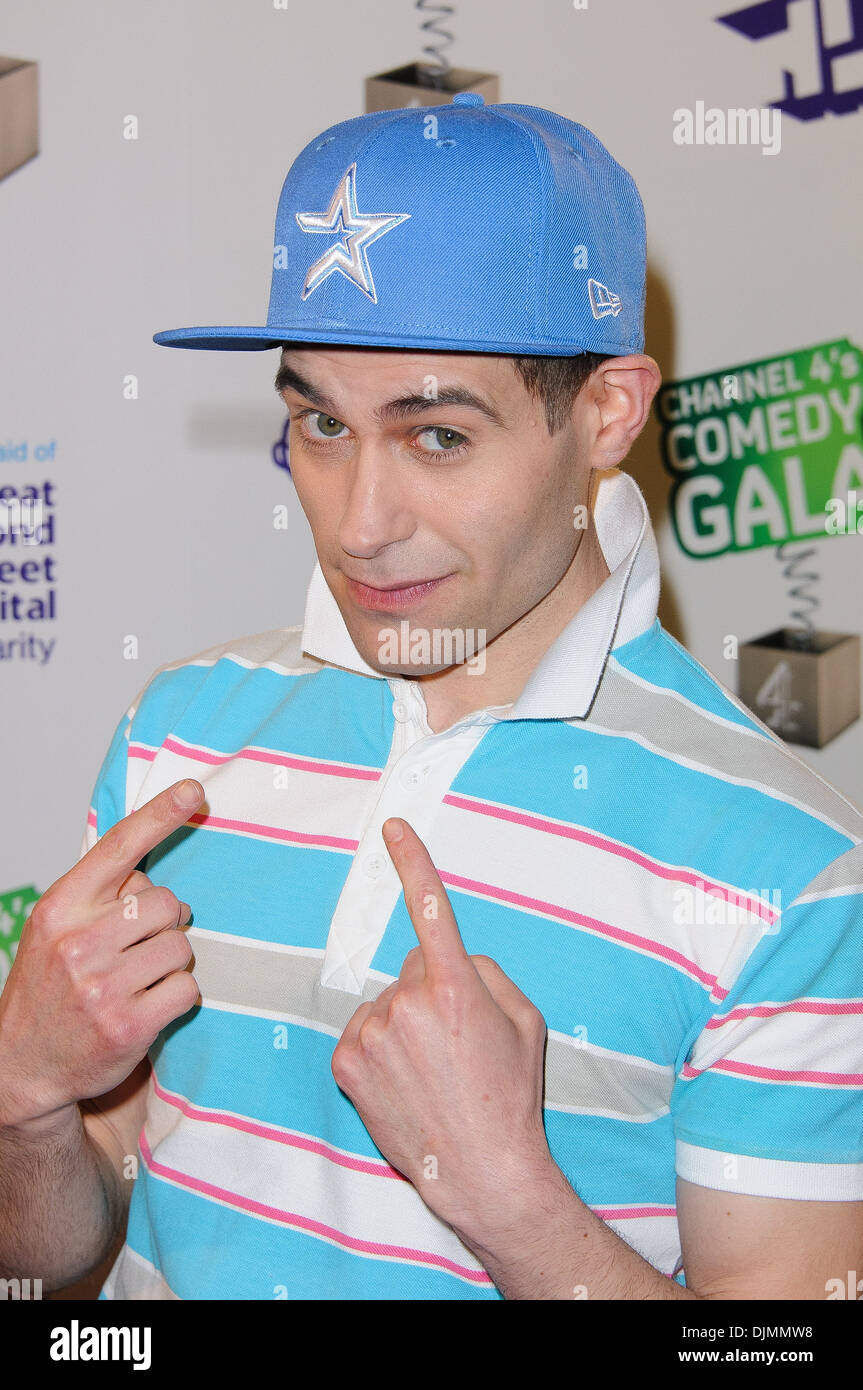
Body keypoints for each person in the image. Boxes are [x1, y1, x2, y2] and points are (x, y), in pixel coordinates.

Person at [1, 94, 862, 1302]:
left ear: (607, 410)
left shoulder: (788, 873)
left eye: (438, 437)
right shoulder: (176, 740)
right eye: (317, 423)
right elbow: (60, 1256)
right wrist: (28, 1106)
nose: (357, 524)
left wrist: (515, 1207)